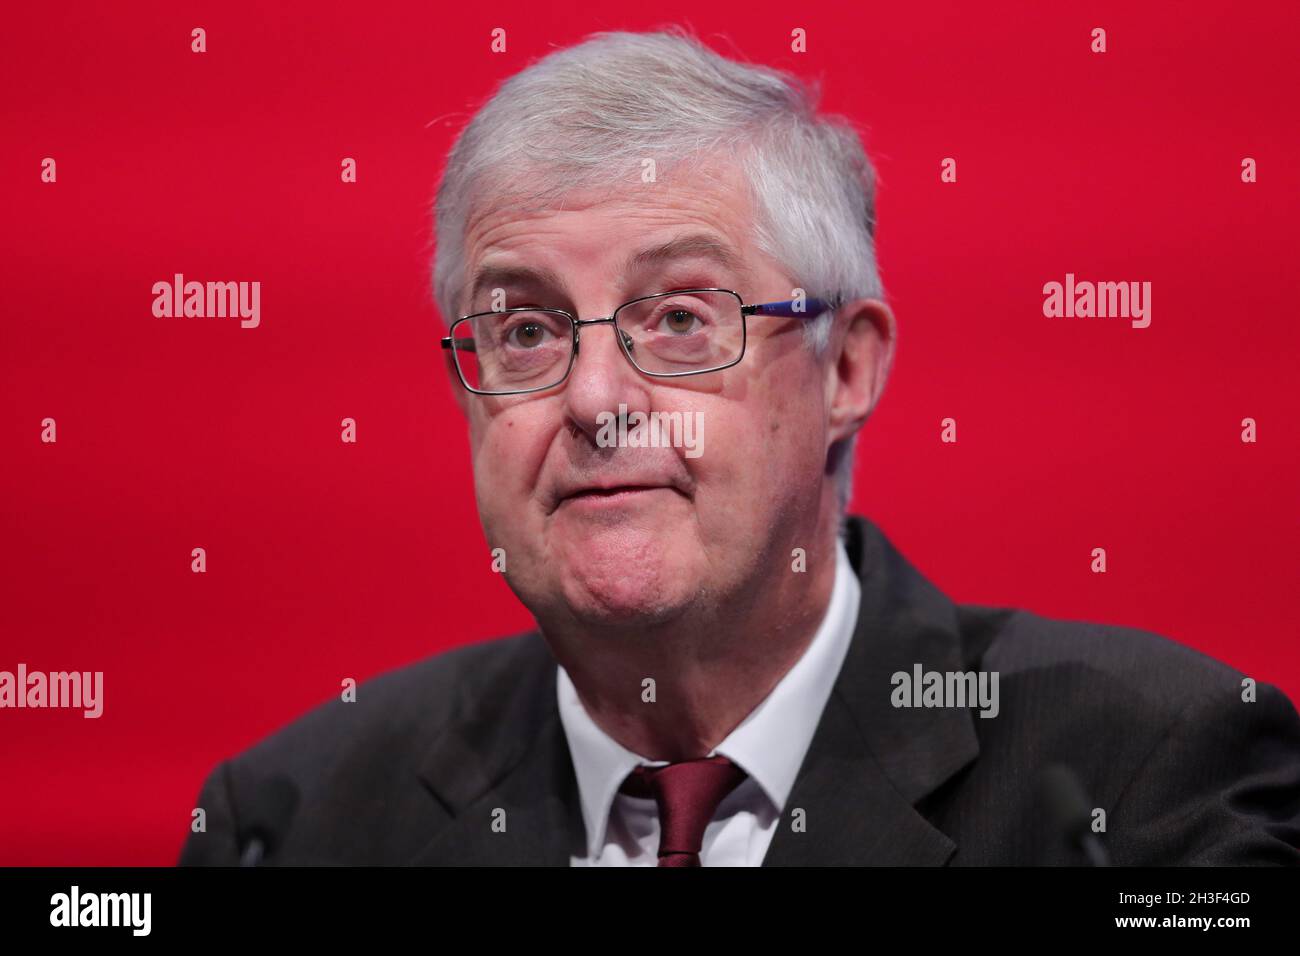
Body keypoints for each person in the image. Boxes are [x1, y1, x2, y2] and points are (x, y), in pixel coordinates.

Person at [179, 28, 1300, 867]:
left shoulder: (1148, 775)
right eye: (524, 329)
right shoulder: (293, 817)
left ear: (847, 368)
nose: (594, 398)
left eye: (678, 319)